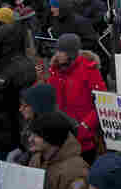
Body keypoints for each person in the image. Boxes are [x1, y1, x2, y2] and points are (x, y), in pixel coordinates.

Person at [47, 33, 105, 165]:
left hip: (84, 138)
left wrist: (84, 126)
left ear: (71, 54)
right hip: (62, 137)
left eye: (62, 52)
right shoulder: (55, 71)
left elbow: (101, 103)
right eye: (57, 51)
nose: (57, 55)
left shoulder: (89, 70)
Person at [0, 22, 36, 162]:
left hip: (11, 139)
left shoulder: (21, 69)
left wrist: (25, 145)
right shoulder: (1, 62)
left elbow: (27, 110)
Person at [28, 112, 88, 189]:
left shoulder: (75, 171)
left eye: (36, 136)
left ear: (51, 138)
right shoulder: (36, 159)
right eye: (31, 134)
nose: (30, 139)